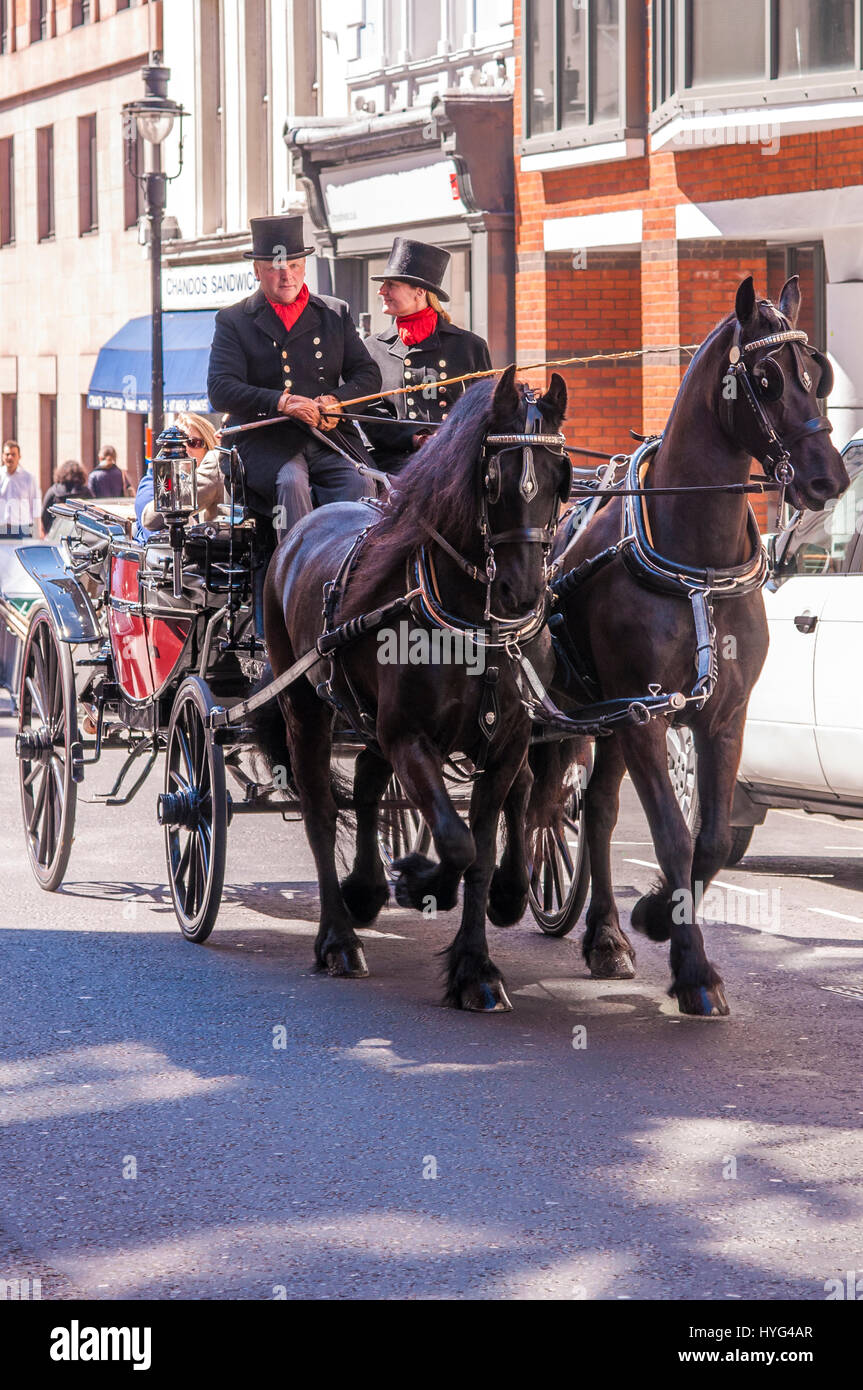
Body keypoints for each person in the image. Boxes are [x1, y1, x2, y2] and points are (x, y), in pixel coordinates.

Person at [206, 214, 382, 544]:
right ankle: (296, 573)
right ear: (257, 270)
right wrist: (282, 402)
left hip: (328, 437)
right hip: (268, 441)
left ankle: (352, 576)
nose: (286, 275)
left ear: (304, 266)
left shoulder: (333, 312)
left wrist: (337, 401)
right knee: (290, 482)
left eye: (294, 265)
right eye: (275, 267)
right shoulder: (234, 319)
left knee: (360, 482)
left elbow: (368, 374)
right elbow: (220, 388)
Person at [361, 238, 492, 476]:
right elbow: (370, 415)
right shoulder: (373, 348)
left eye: (391, 285)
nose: (382, 291)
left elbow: (486, 411)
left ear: (420, 291)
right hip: (393, 465)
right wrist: (416, 439)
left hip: (457, 464)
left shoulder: (470, 347)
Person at [135, 412, 226, 540]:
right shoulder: (151, 482)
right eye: (176, 445)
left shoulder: (216, 469)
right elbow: (150, 524)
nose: (184, 450)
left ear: (209, 446)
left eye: (193, 442)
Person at [41, 459, 93, 535]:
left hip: (56, 533)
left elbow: (44, 517)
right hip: (81, 535)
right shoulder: (86, 493)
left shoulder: (52, 492)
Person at [1, 439, 40, 537]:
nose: (10, 457)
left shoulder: (29, 478)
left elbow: (35, 505)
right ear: (2, 456)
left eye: (13, 454)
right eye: (7, 454)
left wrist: (37, 532)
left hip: (22, 528)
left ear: (19, 457)